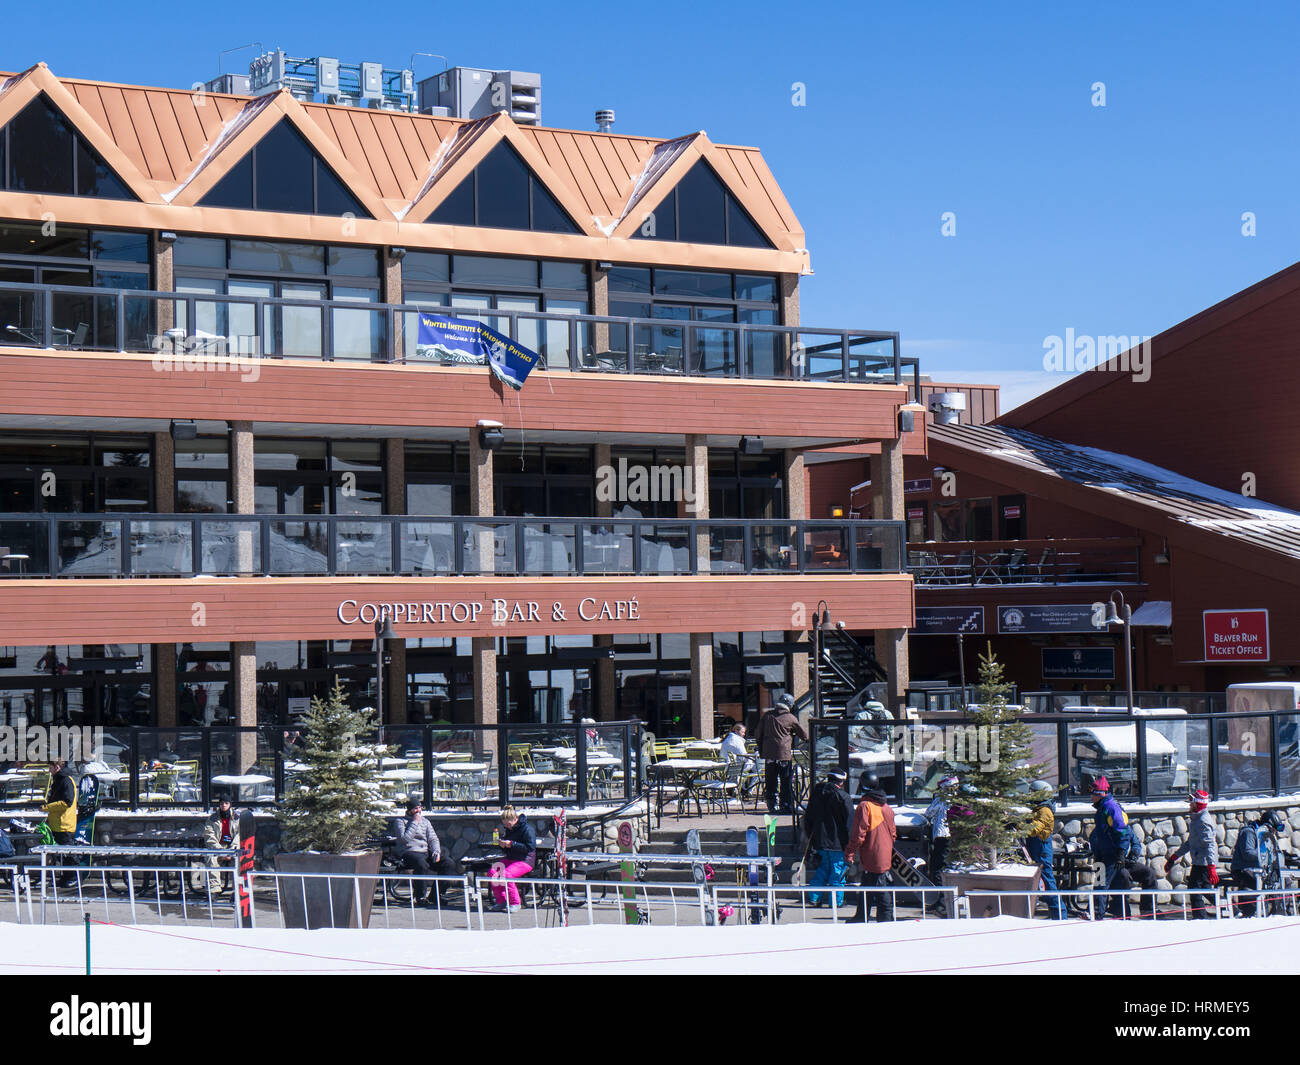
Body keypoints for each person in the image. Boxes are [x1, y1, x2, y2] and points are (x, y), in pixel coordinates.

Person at [845, 774, 897, 923]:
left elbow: (859, 833)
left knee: (879, 886)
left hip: (872, 852)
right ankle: (861, 915)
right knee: (867, 884)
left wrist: (850, 852)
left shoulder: (865, 806)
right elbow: (893, 833)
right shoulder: (886, 806)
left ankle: (886, 918)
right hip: (884, 851)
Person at [804, 770, 854, 907]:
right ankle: (836, 902)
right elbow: (849, 824)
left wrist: (812, 838)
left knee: (822, 870)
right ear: (841, 782)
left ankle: (814, 898)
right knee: (837, 873)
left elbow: (808, 818)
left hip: (819, 841)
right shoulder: (844, 797)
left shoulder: (816, 794)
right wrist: (851, 845)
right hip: (838, 843)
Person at [1166, 790, 1218, 919]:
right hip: (1199, 860)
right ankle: (1229, 908)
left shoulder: (1203, 821)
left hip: (1204, 862)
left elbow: (1209, 845)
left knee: (1194, 888)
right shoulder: (1196, 820)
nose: (1189, 805)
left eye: (1191, 803)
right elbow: (1190, 843)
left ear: (1198, 803)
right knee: (1205, 889)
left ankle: (1200, 917)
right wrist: (1174, 857)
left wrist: (1211, 867)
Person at [394, 802, 458, 905]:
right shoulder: (400, 821)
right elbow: (404, 839)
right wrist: (414, 822)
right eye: (415, 808)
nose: (418, 811)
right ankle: (420, 896)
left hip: (425, 852)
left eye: (419, 808)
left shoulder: (425, 822)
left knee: (448, 863)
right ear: (409, 810)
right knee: (421, 864)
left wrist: (436, 851)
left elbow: (433, 838)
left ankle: (436, 895)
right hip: (409, 852)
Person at [753, 693, 807, 816]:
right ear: (790, 705)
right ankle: (785, 805)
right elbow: (804, 735)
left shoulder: (767, 716)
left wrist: (762, 749)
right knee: (786, 781)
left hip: (769, 755)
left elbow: (757, 734)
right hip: (784, 754)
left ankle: (772, 805)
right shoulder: (790, 718)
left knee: (771, 781)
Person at [1088, 776, 1134, 919]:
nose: (1090, 796)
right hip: (1103, 853)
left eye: (1092, 793)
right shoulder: (1103, 807)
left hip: (1111, 854)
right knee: (1114, 884)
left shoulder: (1110, 807)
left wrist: (1120, 852)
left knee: (1101, 885)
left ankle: (1097, 915)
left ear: (1099, 794)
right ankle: (1121, 915)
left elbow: (1122, 831)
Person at [1024, 780, 1065, 920]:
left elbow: (1036, 828)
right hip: (1037, 847)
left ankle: (1059, 914)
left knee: (1048, 881)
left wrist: (1020, 827)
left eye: (1032, 793)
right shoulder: (1039, 809)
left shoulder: (1044, 810)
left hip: (1041, 848)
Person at [1229, 813, 1281, 917]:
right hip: (1242, 869)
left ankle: (1277, 912)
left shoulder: (1267, 835)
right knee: (1258, 883)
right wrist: (1265, 857)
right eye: (1273, 829)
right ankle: (1249, 913)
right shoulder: (1249, 832)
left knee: (1283, 880)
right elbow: (1247, 853)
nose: (1274, 832)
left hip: (1259, 869)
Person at [491, 806, 536, 913]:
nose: (507, 827)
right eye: (505, 825)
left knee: (507, 874)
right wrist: (503, 846)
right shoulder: (509, 830)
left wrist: (512, 844)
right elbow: (509, 849)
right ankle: (501, 900)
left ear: (515, 819)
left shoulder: (527, 829)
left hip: (525, 860)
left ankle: (515, 903)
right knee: (493, 872)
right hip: (511, 859)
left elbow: (529, 847)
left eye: (508, 824)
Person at [924, 775, 957, 915]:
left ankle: (940, 903)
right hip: (952, 837)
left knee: (937, 868)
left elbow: (929, 813)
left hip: (941, 837)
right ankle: (942, 901)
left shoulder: (941, 798)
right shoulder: (956, 799)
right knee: (946, 867)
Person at [201, 797, 240, 894]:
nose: (224, 805)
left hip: (232, 849)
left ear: (230, 804)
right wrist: (220, 851)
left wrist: (231, 851)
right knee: (211, 859)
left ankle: (237, 891)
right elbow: (209, 836)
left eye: (226, 803)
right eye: (222, 803)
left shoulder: (237, 818)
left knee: (239, 861)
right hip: (218, 848)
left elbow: (239, 835)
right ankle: (214, 890)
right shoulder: (212, 819)